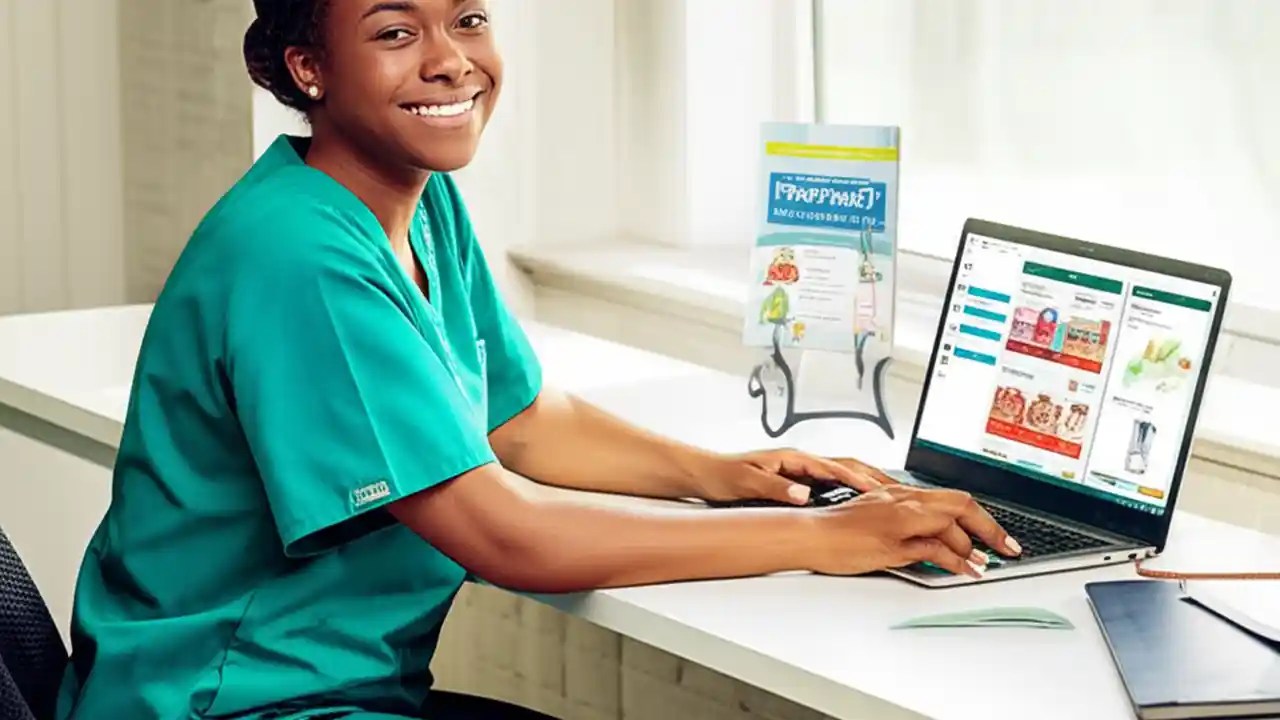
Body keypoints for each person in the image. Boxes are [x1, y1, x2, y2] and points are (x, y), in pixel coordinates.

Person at [55, 1, 1021, 718]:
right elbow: (504, 536)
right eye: (395, 34)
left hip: (334, 690)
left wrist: (719, 476)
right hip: (227, 703)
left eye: (467, 20)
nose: (451, 64)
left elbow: (518, 416)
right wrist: (826, 540)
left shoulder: (415, 199)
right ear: (309, 68)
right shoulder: (299, 259)